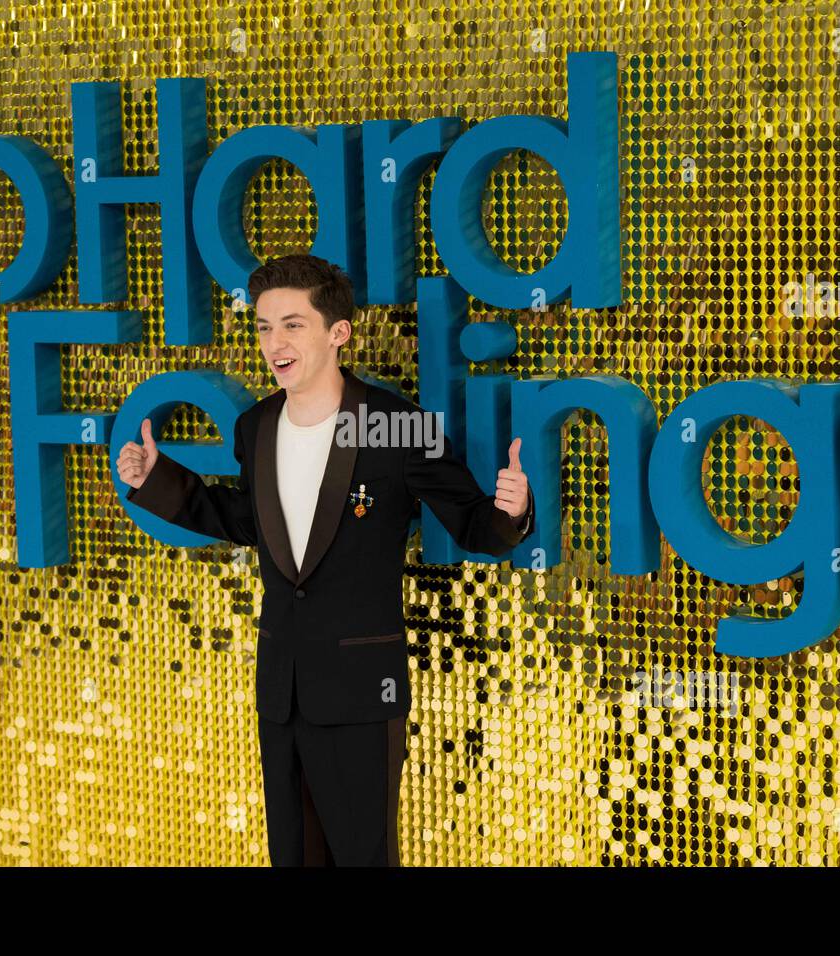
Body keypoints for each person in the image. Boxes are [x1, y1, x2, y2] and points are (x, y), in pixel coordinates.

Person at [117, 253, 534, 865]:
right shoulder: (256, 425)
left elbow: (476, 526)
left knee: (362, 856)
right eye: (263, 327)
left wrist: (512, 511)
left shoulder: (395, 426)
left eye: (292, 324)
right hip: (281, 690)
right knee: (294, 854)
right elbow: (250, 525)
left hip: (363, 689)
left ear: (338, 333)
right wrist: (162, 480)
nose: (274, 342)